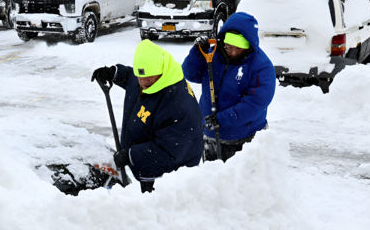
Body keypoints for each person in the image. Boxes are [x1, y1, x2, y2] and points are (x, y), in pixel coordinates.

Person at [92, 40, 203, 193]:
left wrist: (130, 156)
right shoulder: (151, 78)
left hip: (169, 176)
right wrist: (114, 73)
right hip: (147, 164)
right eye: (140, 76)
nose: (143, 82)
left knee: (156, 212)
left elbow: (167, 150)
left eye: (148, 77)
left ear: (162, 71)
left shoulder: (178, 106)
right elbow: (132, 77)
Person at [182, 12, 276, 162]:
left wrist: (222, 119)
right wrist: (197, 53)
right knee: (211, 180)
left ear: (248, 45)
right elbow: (191, 74)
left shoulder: (262, 67)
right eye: (228, 47)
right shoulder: (212, 53)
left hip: (244, 138)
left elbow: (255, 104)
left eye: (238, 49)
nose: (232, 52)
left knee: (241, 183)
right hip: (210, 133)